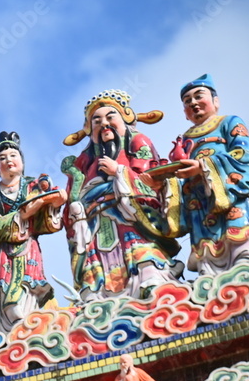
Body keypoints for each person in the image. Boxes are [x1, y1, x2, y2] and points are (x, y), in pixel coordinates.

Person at [160, 74, 249, 275]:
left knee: (235, 221)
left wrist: (204, 166)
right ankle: (209, 267)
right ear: (184, 112)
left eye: (198, 96)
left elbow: (244, 154)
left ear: (215, 101)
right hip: (199, 197)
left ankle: (244, 255)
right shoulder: (185, 138)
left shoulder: (228, 122)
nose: (193, 103)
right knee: (205, 231)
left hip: (230, 186)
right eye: (187, 101)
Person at [61, 90, 183, 300]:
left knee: (138, 252)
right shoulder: (85, 159)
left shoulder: (137, 141)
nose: (104, 124)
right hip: (95, 219)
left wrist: (118, 171)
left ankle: (148, 279)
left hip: (129, 211)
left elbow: (148, 178)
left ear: (124, 118)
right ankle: (97, 294)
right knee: (97, 262)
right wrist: (74, 202)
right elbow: (74, 191)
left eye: (110, 117)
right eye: (97, 121)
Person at [0, 131, 64, 332]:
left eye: (13, 155)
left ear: (22, 161)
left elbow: (47, 211)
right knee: (4, 289)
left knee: (27, 287)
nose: (8, 160)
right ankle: (9, 327)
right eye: (2, 158)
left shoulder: (32, 186)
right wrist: (21, 215)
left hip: (28, 247)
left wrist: (54, 204)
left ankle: (28, 324)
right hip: (4, 252)